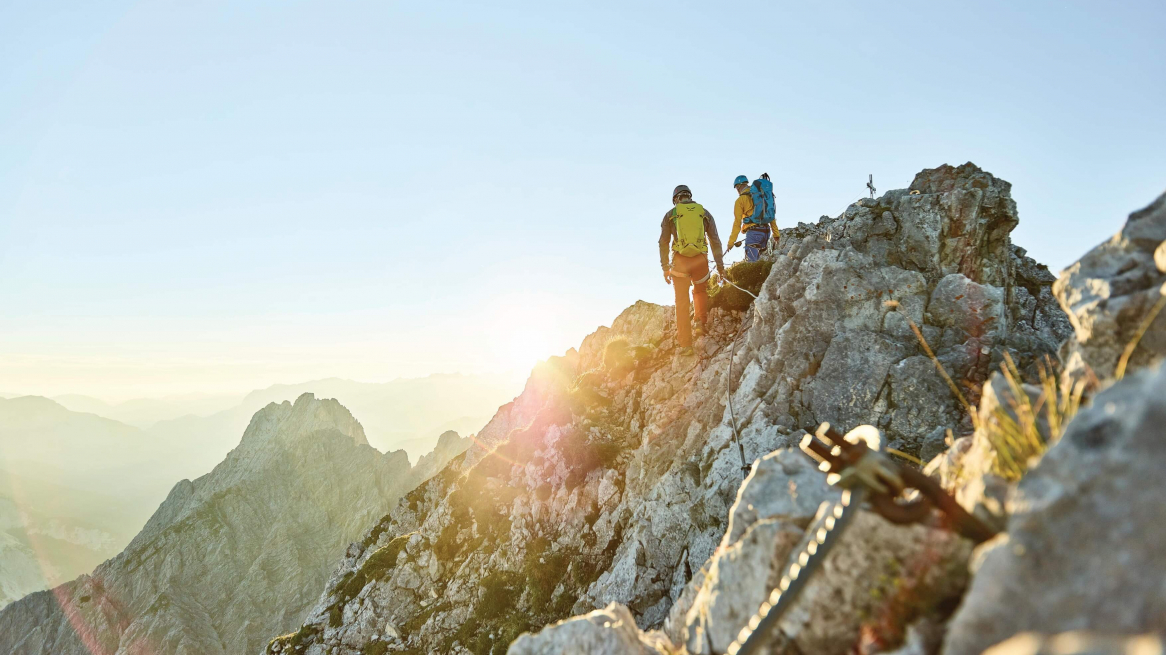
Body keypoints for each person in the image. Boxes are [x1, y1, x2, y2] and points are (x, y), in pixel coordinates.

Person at [659, 184, 727, 353]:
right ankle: (700, 324)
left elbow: (663, 242)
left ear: (676, 199)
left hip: (680, 261)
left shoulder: (670, 215)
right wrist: (720, 267)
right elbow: (715, 241)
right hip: (700, 261)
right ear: (689, 196)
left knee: (681, 301)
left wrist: (665, 266)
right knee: (699, 291)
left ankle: (685, 344)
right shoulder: (704, 213)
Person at [726, 175, 773, 262]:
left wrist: (731, 242)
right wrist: (776, 234)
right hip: (766, 231)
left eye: (736, 188)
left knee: (751, 263)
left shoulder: (740, 200)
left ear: (738, 186)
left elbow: (737, 223)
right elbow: (770, 212)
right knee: (762, 261)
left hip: (753, 233)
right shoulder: (761, 195)